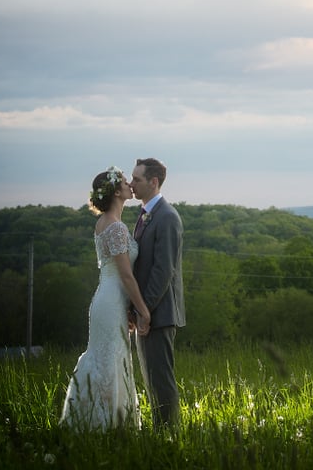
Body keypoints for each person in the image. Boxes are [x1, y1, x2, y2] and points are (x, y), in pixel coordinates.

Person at [60, 166, 151, 430]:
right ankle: (107, 425)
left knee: (108, 358)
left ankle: (97, 422)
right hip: (111, 302)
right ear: (116, 192)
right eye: (124, 182)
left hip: (107, 300)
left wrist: (128, 308)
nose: (129, 184)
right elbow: (126, 276)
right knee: (111, 360)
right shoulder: (116, 227)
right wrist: (143, 310)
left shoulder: (104, 223)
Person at [131, 157, 185, 428]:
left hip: (159, 313)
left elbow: (164, 271)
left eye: (137, 179)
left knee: (161, 380)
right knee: (151, 378)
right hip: (147, 313)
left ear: (153, 182)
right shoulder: (145, 214)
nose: (131, 184)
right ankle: (160, 431)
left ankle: (169, 434)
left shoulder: (167, 217)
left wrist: (144, 310)